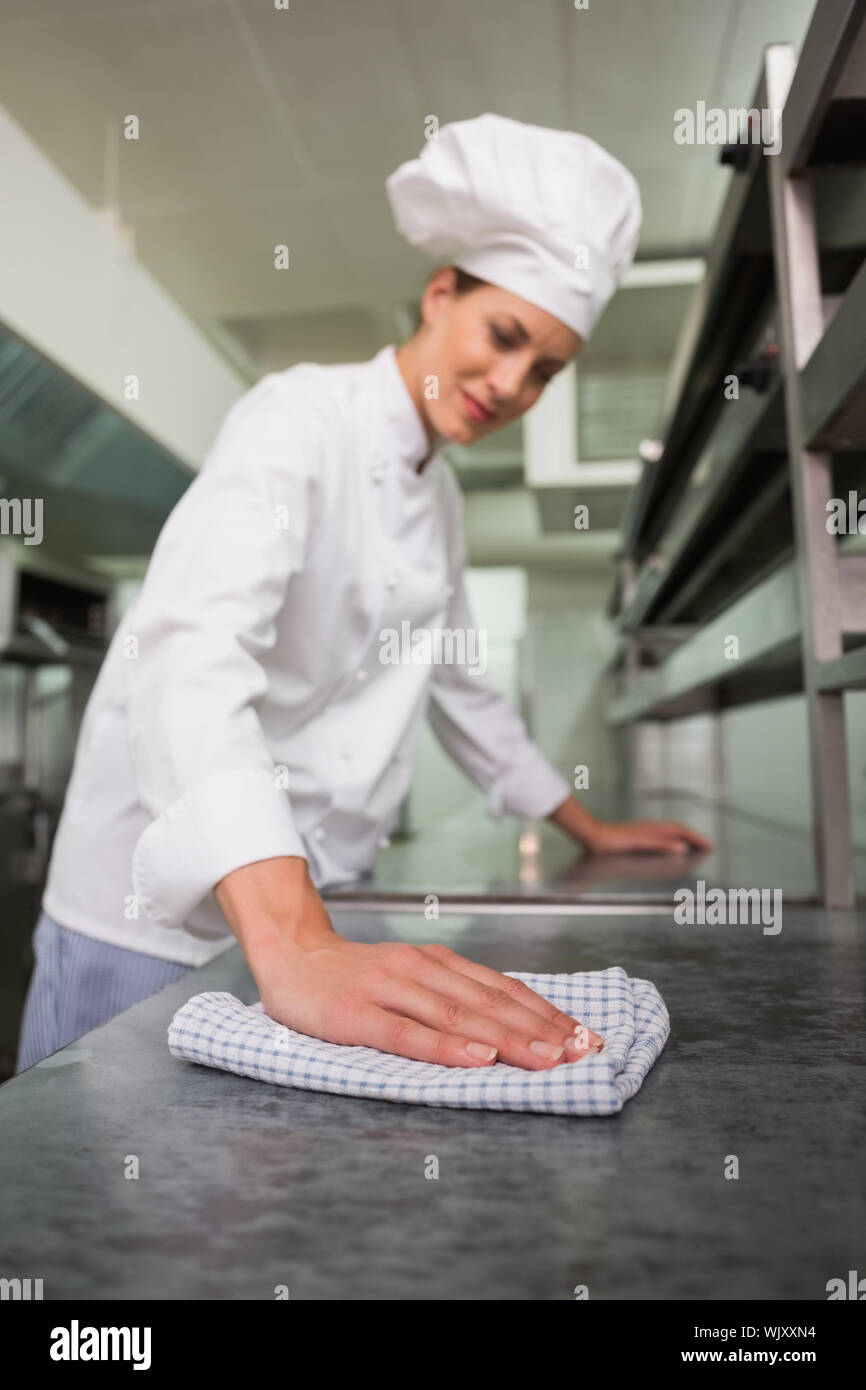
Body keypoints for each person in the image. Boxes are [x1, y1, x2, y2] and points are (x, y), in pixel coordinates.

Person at [15, 113, 710, 1075]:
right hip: (147, 923)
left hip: (301, 925)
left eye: (545, 370)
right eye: (503, 335)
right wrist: (294, 938)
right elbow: (188, 655)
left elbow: (465, 689)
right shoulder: (298, 420)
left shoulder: (445, 498)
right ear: (439, 295)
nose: (510, 383)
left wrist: (587, 827)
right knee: (91, 1206)